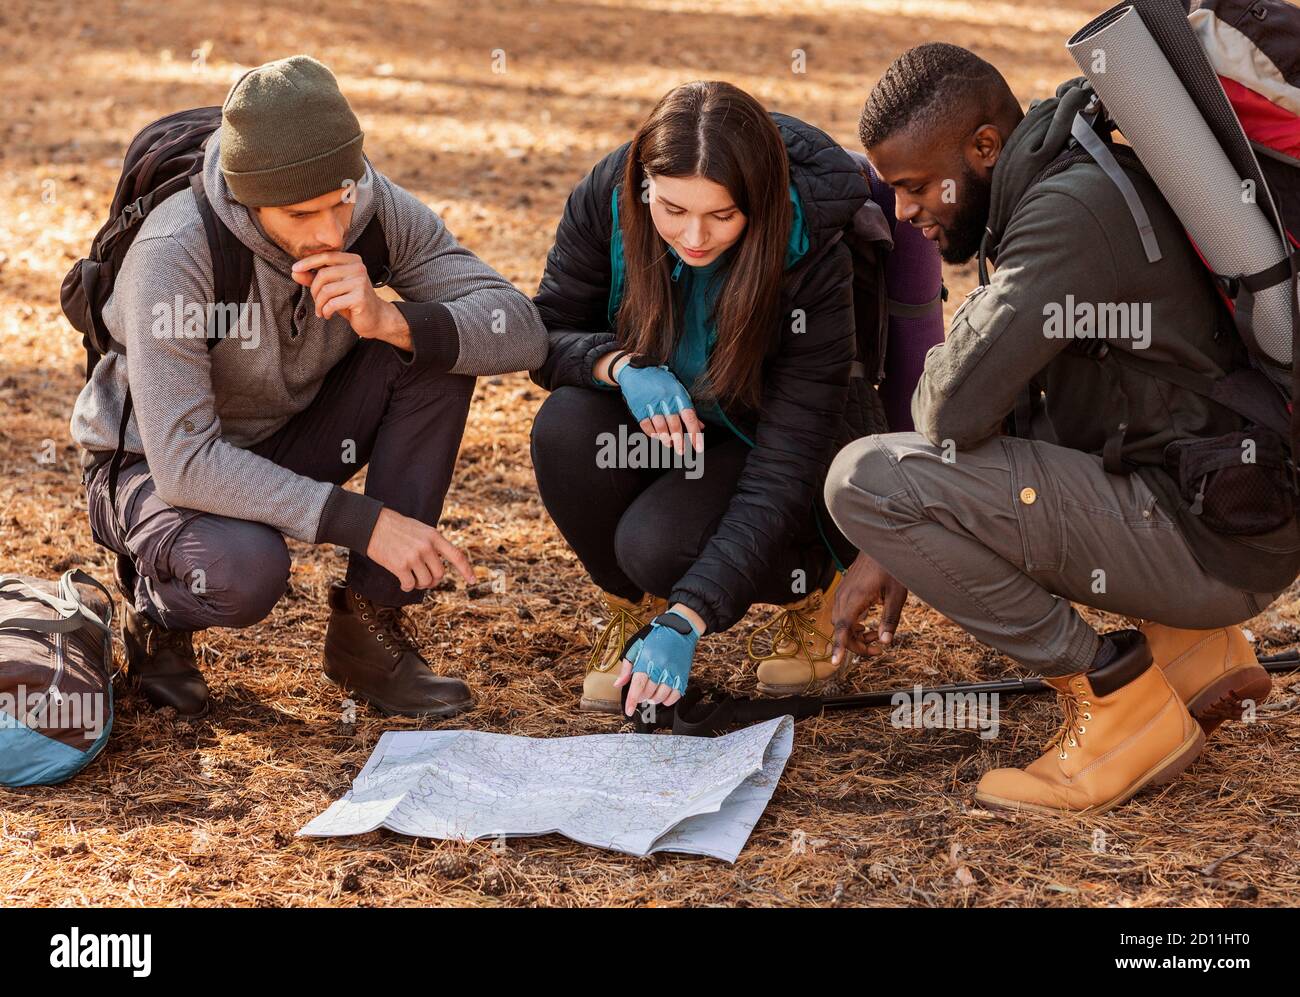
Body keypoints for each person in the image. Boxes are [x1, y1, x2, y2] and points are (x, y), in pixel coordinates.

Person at [825, 43, 1300, 814]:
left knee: (868, 481)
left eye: (914, 187)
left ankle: (1116, 700)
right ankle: (1192, 646)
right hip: (1230, 507)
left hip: (1214, 541)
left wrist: (891, 525)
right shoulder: (1068, 168)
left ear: (984, 147)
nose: (904, 211)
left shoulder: (1068, 213)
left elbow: (948, 413)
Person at [70, 56, 547, 719]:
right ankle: (158, 610)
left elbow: (521, 327)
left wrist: (392, 318)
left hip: (286, 436)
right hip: (151, 467)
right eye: (300, 213)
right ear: (246, 195)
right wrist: (364, 523)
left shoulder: (371, 209)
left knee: (431, 354)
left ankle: (367, 630)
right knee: (244, 570)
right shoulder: (176, 249)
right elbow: (183, 462)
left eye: (340, 200)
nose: (329, 232)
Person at [529, 80, 883, 716]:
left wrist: (690, 616)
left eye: (722, 216)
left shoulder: (811, 255)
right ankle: (633, 617)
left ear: (761, 203)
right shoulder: (608, 198)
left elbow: (786, 462)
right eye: (672, 210)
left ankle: (811, 590)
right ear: (643, 187)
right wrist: (619, 365)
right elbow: (547, 328)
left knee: (657, 547)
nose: (693, 237)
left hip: (774, 445)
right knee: (566, 428)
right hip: (675, 421)